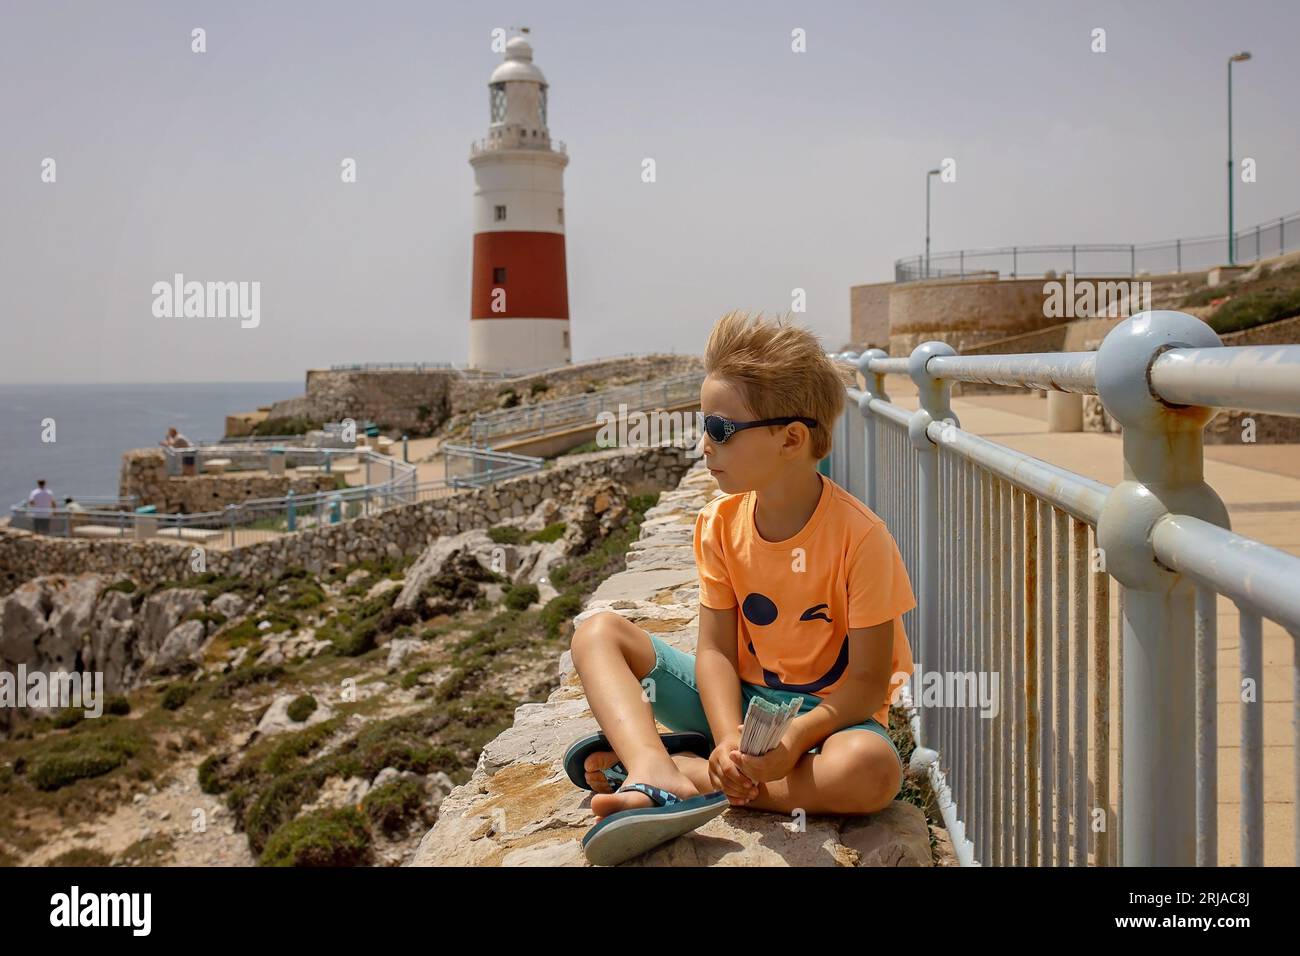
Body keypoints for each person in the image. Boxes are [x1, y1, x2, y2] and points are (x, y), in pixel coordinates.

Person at [567, 310, 916, 864]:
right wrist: (730, 735)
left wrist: (797, 739)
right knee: (597, 634)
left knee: (873, 774)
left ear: (792, 438)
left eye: (720, 429)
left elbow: (872, 682)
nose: (704, 444)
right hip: (739, 705)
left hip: (829, 719)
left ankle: (696, 775)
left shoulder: (862, 538)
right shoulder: (719, 525)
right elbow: (714, 651)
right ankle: (655, 768)